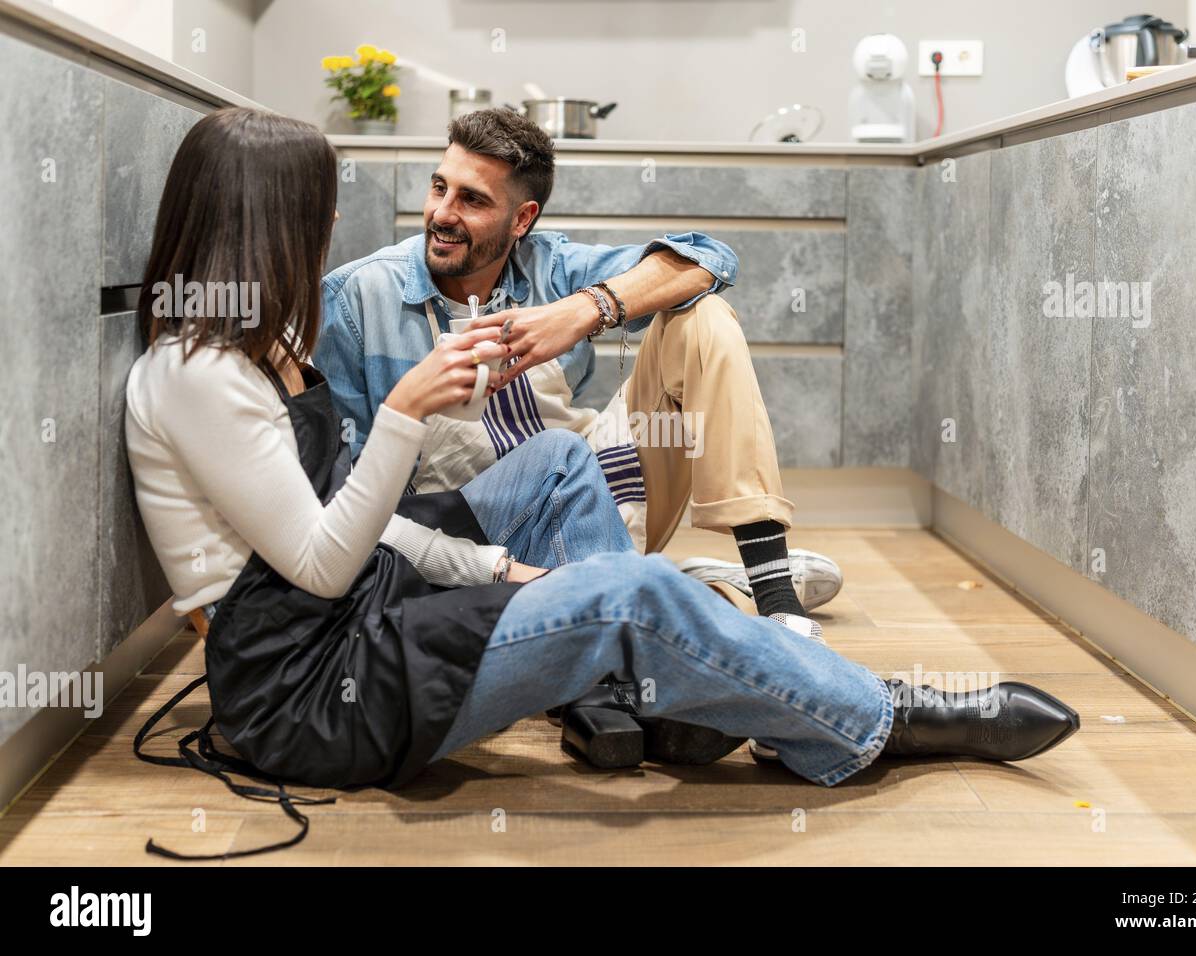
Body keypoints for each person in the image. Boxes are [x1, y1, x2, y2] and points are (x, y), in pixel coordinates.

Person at [127, 107, 1079, 860]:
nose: (336, 221)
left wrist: (497, 564)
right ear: (270, 221)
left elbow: (355, 536)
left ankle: (638, 683)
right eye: (318, 206)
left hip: (353, 611)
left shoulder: (258, 351)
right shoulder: (203, 372)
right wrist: (405, 413)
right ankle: (872, 715)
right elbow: (325, 564)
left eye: (472, 196)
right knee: (633, 591)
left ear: (522, 217)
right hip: (313, 691)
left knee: (559, 463)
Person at [314, 107, 843, 625]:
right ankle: (694, 590)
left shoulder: (552, 267)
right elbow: (349, 493)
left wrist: (584, 309)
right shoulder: (358, 297)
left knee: (702, 317)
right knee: (564, 470)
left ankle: (771, 591)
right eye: (439, 188)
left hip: (594, 497)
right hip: (460, 542)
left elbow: (710, 259)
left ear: (522, 218)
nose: (442, 214)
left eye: (472, 199)